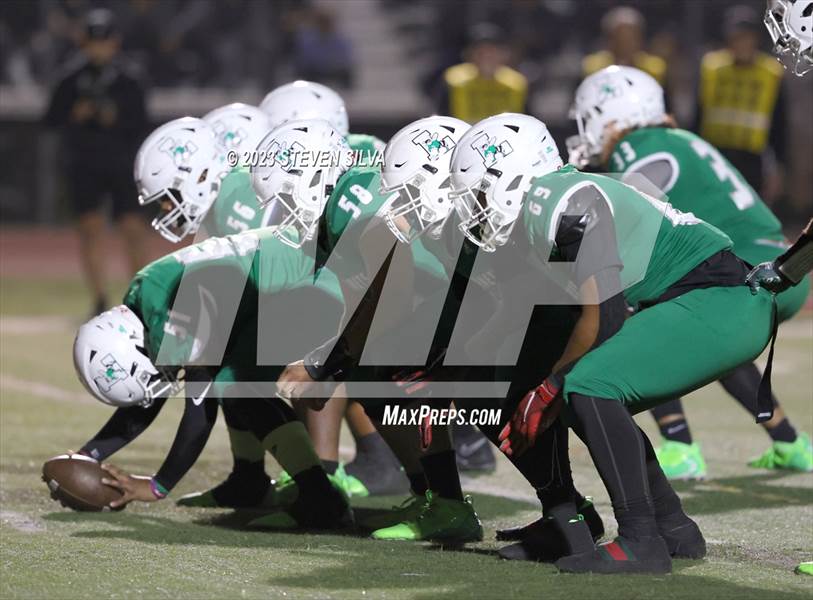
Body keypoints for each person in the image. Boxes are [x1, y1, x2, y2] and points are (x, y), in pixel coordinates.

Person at [452, 113, 774, 574]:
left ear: (513, 175)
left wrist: (549, 388)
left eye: (482, 190)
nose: (476, 207)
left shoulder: (559, 198)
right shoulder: (543, 208)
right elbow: (526, 318)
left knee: (587, 385)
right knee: (541, 384)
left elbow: (603, 319)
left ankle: (642, 539)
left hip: (720, 299)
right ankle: (668, 527)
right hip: (703, 300)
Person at [568, 65, 812, 479]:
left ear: (612, 114)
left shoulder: (636, 146)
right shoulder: (681, 138)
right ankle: (790, 442)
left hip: (748, 274)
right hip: (783, 266)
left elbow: (639, 213)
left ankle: (679, 446)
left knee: (644, 313)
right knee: (710, 332)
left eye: (591, 118)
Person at [71, 226, 351, 531]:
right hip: (302, 274)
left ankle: (323, 502)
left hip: (316, 282)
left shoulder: (171, 311)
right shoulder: (142, 302)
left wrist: (158, 486)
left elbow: (199, 413)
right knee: (232, 376)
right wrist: (87, 455)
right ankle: (252, 483)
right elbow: (152, 397)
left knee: (236, 386)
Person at [44, 8, 150, 315]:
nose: (99, 48)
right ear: (83, 43)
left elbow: (142, 121)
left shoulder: (130, 78)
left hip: (121, 164)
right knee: (90, 229)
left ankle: (140, 298)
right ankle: (100, 298)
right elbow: (50, 119)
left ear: (114, 42)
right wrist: (74, 114)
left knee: (132, 229)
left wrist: (115, 117)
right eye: (93, 42)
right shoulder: (70, 78)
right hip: (85, 164)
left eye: (103, 42)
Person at [695, 5, 787, 200]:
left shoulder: (770, 73)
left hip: (752, 160)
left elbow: (779, 125)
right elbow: (698, 114)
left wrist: (778, 167)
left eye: (747, 37)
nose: (742, 43)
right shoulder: (712, 68)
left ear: (756, 39)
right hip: (715, 155)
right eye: (737, 37)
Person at [437, 23, 528, 126]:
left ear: (504, 54)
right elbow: (441, 119)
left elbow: (526, 121)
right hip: (463, 137)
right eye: (480, 51)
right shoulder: (453, 79)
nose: (486, 56)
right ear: (468, 54)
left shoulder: (516, 83)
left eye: (492, 51)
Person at [582, 6, 666, 85]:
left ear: (640, 40)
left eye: (631, 38)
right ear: (609, 40)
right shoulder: (594, 68)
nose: (626, 44)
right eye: (620, 38)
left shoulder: (654, 69)